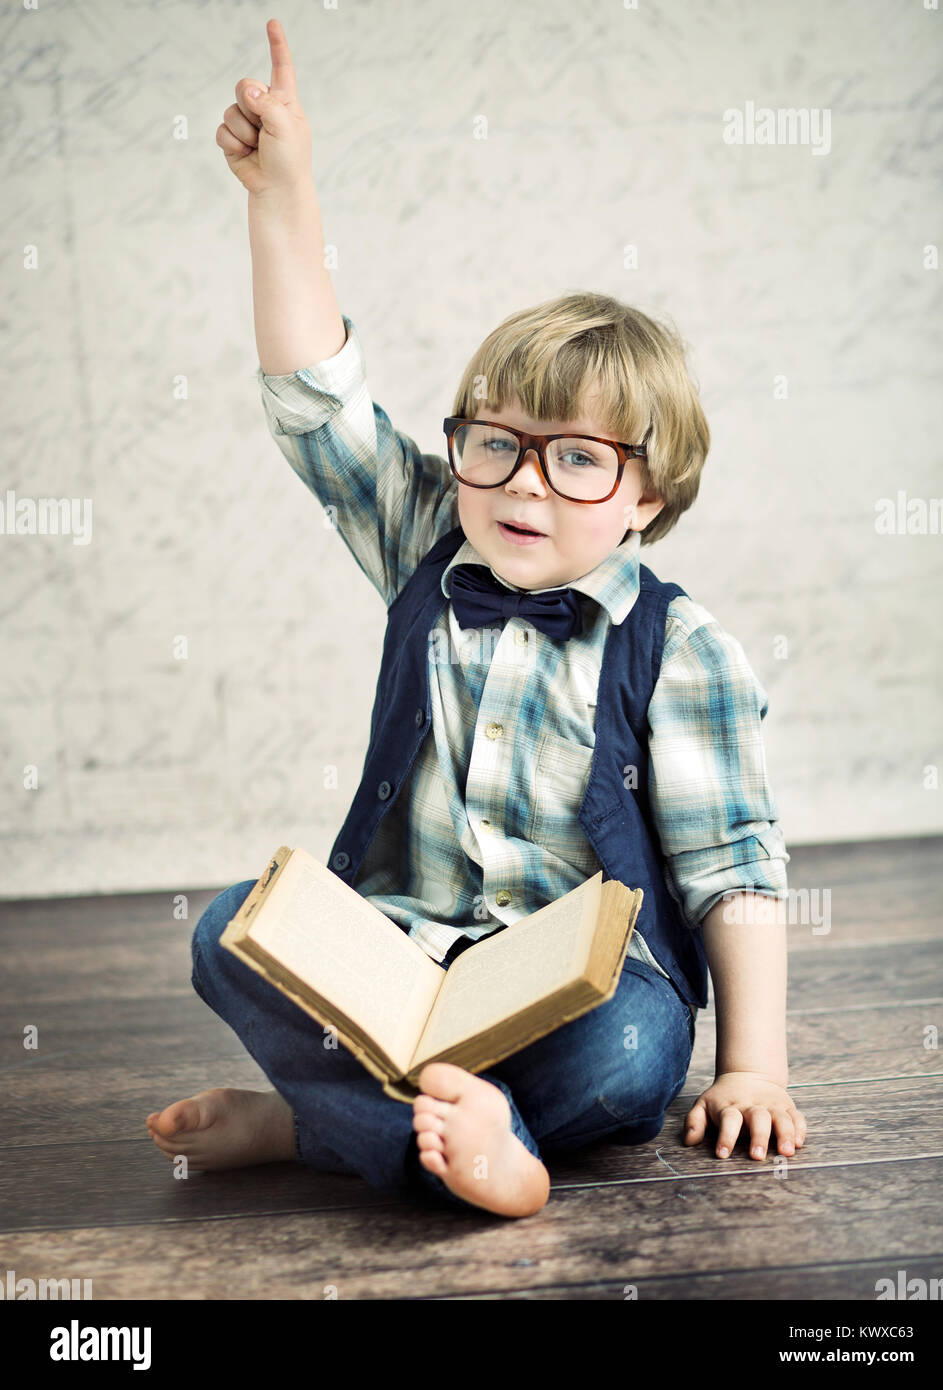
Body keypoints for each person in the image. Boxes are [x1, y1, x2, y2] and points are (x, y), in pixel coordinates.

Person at [146, 18, 807, 1219]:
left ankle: (330, 1126)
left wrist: (751, 1064)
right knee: (220, 936)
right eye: (495, 444)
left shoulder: (679, 646)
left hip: (572, 987)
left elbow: (730, 869)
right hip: (400, 950)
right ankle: (401, 1126)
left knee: (628, 1063)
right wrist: (282, 195)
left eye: (575, 460)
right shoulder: (424, 546)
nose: (521, 483)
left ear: (647, 496)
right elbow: (317, 404)